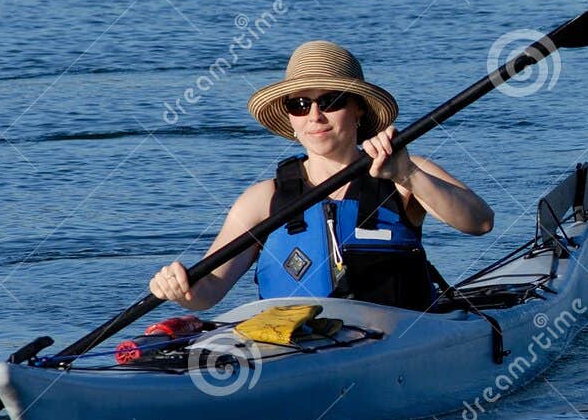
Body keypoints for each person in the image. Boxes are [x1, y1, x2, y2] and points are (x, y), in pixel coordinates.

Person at [149, 41, 493, 313]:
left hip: (398, 342)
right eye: (299, 104)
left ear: (358, 108)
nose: (314, 115)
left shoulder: (403, 170)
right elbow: (210, 289)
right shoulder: (262, 200)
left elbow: (479, 222)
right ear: (291, 117)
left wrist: (409, 175)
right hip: (296, 349)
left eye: (331, 101)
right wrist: (180, 289)